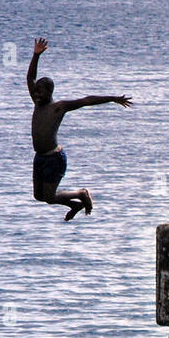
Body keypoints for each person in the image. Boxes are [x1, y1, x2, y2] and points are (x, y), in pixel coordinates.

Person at [27, 38, 133, 221]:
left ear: (49, 93)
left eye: (40, 92)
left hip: (54, 158)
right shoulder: (37, 104)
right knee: (39, 196)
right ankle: (75, 204)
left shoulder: (58, 108)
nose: (36, 95)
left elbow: (86, 100)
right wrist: (36, 55)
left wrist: (113, 98)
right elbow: (30, 78)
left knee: (50, 197)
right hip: (40, 157)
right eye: (35, 92)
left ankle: (81, 193)